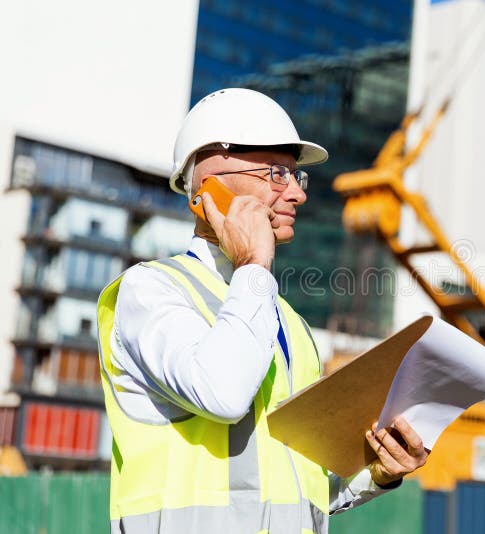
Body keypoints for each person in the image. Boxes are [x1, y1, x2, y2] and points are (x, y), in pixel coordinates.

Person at [96, 88, 429, 534]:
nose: (297, 194)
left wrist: (378, 473)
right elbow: (222, 393)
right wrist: (254, 263)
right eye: (277, 173)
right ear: (210, 182)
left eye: (296, 177)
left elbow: (298, 487)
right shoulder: (151, 291)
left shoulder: (289, 323)